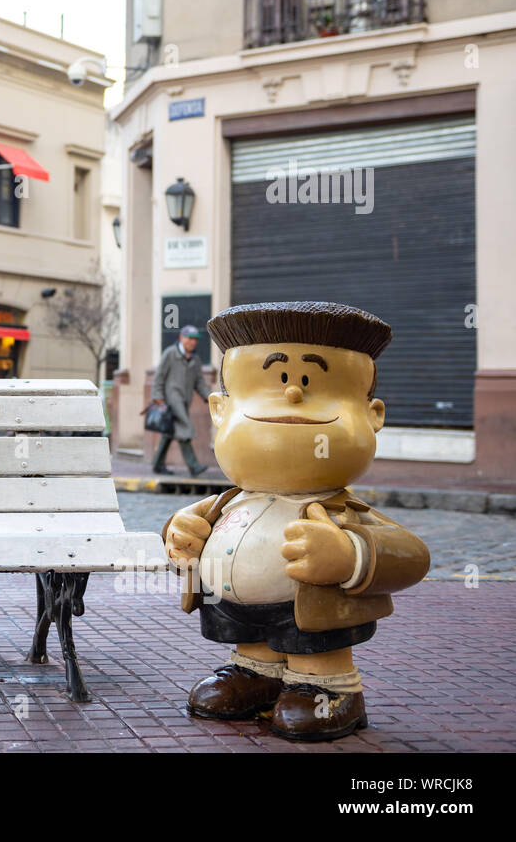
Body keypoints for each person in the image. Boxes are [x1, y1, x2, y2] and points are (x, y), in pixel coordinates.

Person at [161, 301, 429, 740]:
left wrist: (349, 555)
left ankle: (328, 688)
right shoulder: (222, 503)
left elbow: (412, 556)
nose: (292, 393)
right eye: (274, 380)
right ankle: (256, 673)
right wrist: (181, 535)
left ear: (373, 415)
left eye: (312, 382)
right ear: (219, 410)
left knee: (315, 651)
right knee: (252, 642)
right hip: (236, 609)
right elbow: (184, 536)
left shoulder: (343, 512)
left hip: (312, 616)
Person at [151, 323, 210, 476]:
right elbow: (158, 378)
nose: (193, 342)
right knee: (184, 429)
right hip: (170, 402)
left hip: (185, 402)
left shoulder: (195, 360)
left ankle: (157, 464)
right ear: (181, 338)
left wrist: (208, 397)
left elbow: (199, 382)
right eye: (190, 338)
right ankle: (194, 466)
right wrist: (157, 396)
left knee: (169, 433)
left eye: (195, 339)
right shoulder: (170, 354)